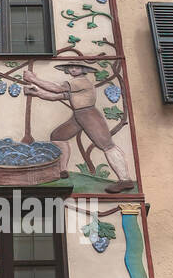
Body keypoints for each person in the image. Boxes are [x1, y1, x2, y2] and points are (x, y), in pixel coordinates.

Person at [22, 62, 134, 192]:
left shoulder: (81, 81)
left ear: (84, 70)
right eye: (71, 67)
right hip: (78, 116)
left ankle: (125, 180)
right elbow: (56, 96)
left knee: (107, 146)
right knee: (58, 136)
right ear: (67, 70)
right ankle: (62, 170)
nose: (74, 69)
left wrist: (33, 79)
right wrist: (36, 92)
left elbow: (57, 88)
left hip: (90, 115)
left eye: (77, 67)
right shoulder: (74, 85)